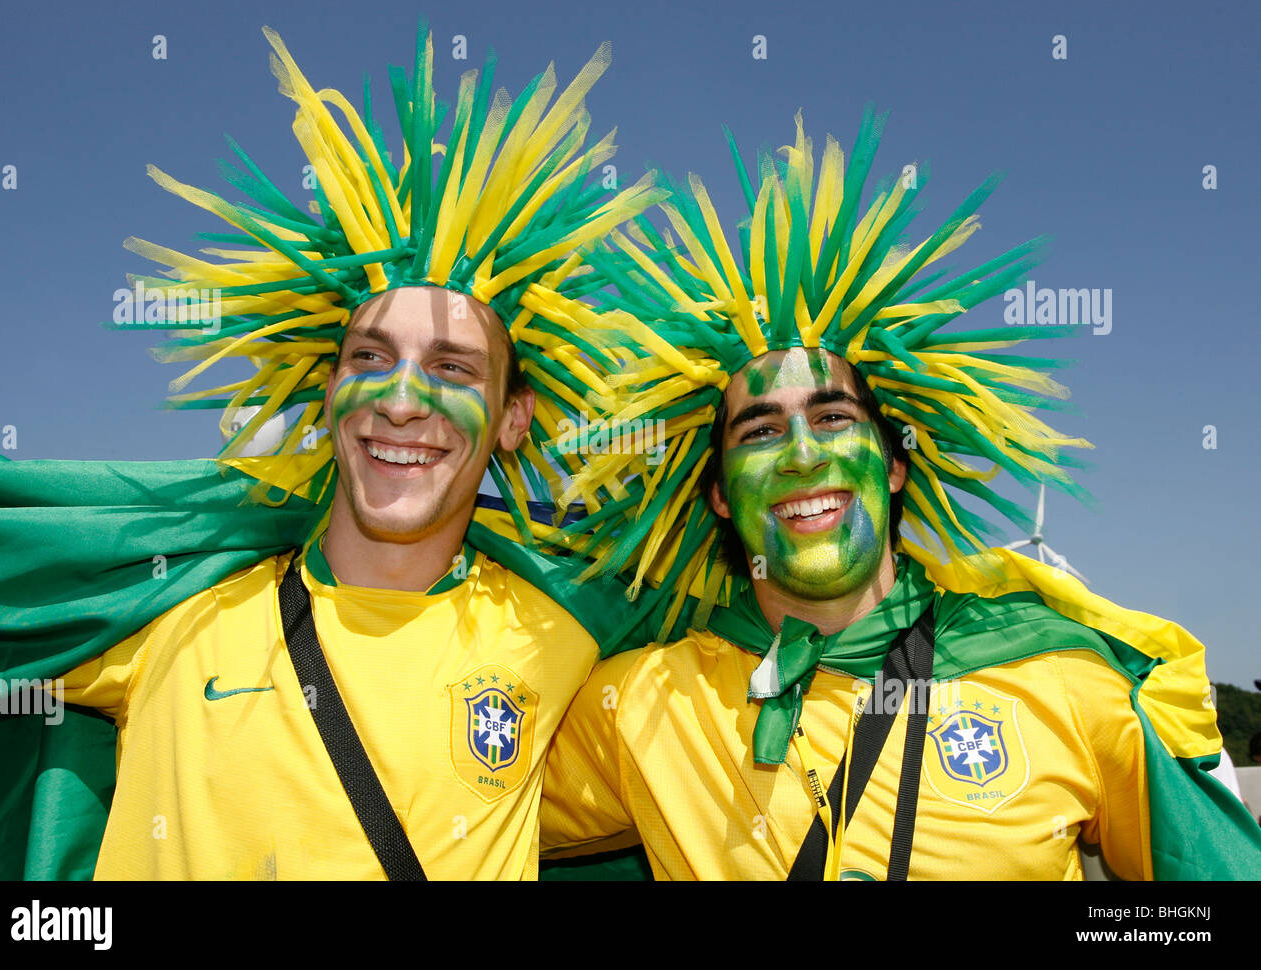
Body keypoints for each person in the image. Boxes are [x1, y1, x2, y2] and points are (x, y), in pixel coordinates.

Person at [0, 23, 667, 880]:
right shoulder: (168, 611)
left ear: (513, 419)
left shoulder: (564, 628)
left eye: (451, 368)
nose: (402, 402)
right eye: (370, 358)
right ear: (330, 390)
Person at [537, 110, 1261, 879]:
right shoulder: (638, 705)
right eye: (758, 432)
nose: (801, 454)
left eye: (833, 417)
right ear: (718, 496)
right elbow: (460, 823)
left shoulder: (1062, 672)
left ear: (895, 465)